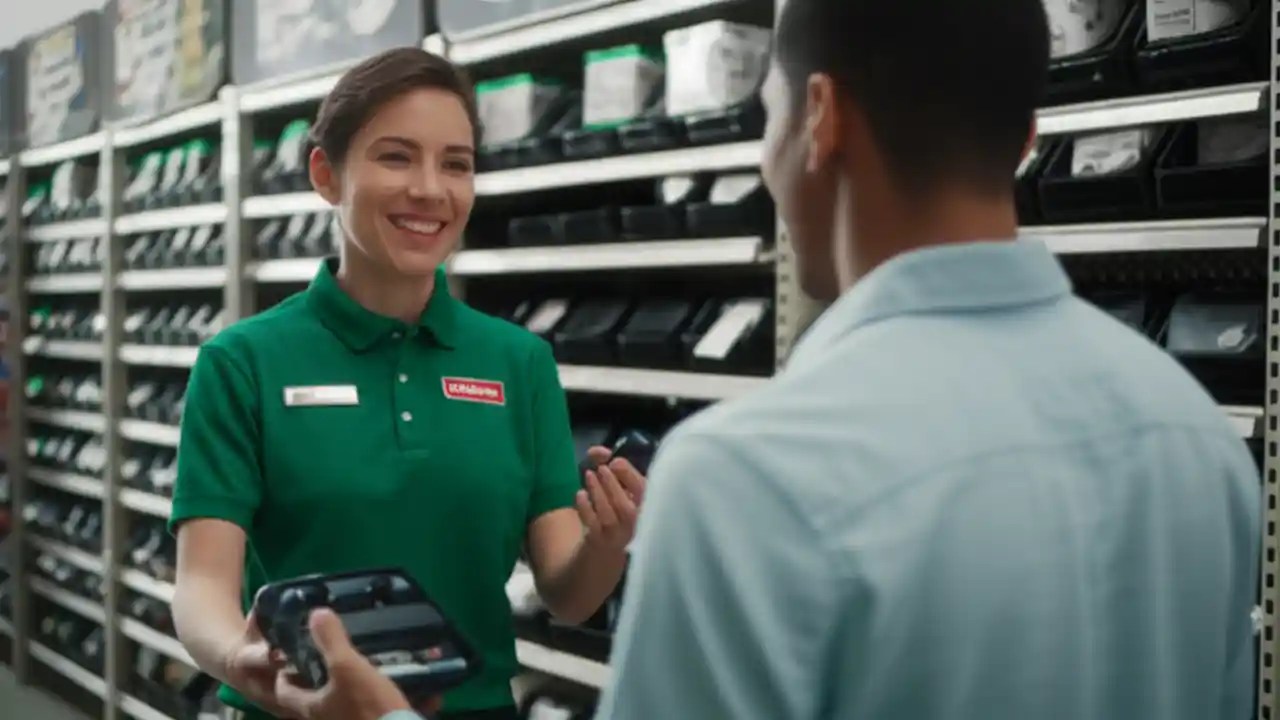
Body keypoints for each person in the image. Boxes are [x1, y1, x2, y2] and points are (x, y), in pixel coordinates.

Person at [262, 0, 1263, 718]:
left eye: (768, 118)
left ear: (818, 120)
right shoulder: (1192, 437)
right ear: (1023, 138)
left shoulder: (751, 478)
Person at [168, 47, 646, 720]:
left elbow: (568, 598)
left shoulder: (519, 363)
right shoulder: (242, 362)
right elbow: (201, 587)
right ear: (326, 175)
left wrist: (607, 543)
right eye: (396, 157)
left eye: (456, 163)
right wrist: (238, 659)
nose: (430, 189)